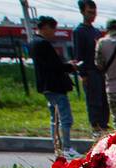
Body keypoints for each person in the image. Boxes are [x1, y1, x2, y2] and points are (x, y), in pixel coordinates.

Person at [31, 17, 79, 159]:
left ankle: (58, 147)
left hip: (47, 86)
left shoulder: (34, 42)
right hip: (55, 86)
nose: (54, 33)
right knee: (65, 118)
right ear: (45, 27)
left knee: (55, 119)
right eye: (53, 29)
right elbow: (55, 66)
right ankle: (66, 148)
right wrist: (70, 66)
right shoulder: (43, 44)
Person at [73, 1, 108, 138]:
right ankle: (96, 127)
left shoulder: (96, 31)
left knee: (104, 101)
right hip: (90, 72)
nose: (93, 15)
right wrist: (83, 74)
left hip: (101, 72)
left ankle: (104, 126)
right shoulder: (79, 31)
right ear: (82, 12)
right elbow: (78, 55)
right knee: (94, 101)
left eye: (94, 12)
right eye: (90, 12)